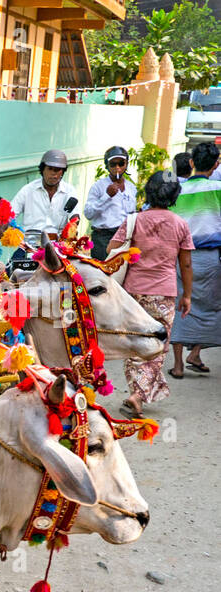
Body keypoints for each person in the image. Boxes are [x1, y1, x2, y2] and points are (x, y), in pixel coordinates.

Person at [108, 171, 192, 416]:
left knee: (134, 342)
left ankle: (138, 393)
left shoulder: (135, 220)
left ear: (149, 192)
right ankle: (138, 395)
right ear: (174, 195)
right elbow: (185, 264)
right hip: (164, 294)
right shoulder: (180, 224)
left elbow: (112, 249)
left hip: (133, 293)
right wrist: (187, 295)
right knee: (157, 346)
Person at [170, 142, 221, 375]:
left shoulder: (177, 192)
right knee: (210, 307)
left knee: (180, 305)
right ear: (216, 164)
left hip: (181, 258)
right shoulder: (218, 189)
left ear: (191, 163)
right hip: (211, 259)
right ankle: (196, 352)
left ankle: (179, 364)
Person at [0, 149, 80, 270]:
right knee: (10, 277)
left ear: (62, 172)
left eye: (58, 170)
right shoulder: (28, 190)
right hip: (28, 246)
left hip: (59, 247)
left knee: (74, 283)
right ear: (42, 169)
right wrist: (1, 229)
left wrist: (73, 227)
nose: (54, 174)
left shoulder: (69, 191)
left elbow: (75, 216)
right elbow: (10, 214)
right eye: (50, 169)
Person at [85, 146, 137, 260]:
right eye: (113, 164)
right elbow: (88, 213)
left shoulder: (131, 188)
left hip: (124, 237)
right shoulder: (98, 187)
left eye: (121, 163)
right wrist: (106, 196)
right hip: (103, 237)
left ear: (126, 164)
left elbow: (132, 213)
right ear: (107, 166)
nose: (117, 168)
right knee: (102, 273)